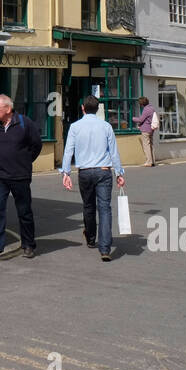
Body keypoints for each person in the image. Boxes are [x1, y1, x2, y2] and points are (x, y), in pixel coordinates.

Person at [60, 96, 126, 261]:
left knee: (88, 206)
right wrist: (119, 173)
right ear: (98, 109)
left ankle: (90, 238)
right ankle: (105, 249)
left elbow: (68, 151)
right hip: (103, 171)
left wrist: (65, 173)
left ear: (82, 108)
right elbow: (114, 152)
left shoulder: (75, 127)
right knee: (105, 209)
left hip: (85, 172)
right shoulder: (106, 126)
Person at [0, 94, 42, 260]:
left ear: (8, 109)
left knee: (24, 211)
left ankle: (28, 245)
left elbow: (36, 145)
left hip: (20, 176)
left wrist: (25, 161)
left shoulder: (25, 123)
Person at [131, 95, 160, 166]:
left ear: (142, 104)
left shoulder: (146, 109)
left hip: (145, 130)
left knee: (146, 145)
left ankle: (149, 161)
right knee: (151, 145)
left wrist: (133, 118)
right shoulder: (151, 108)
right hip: (151, 129)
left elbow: (141, 119)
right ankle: (153, 161)